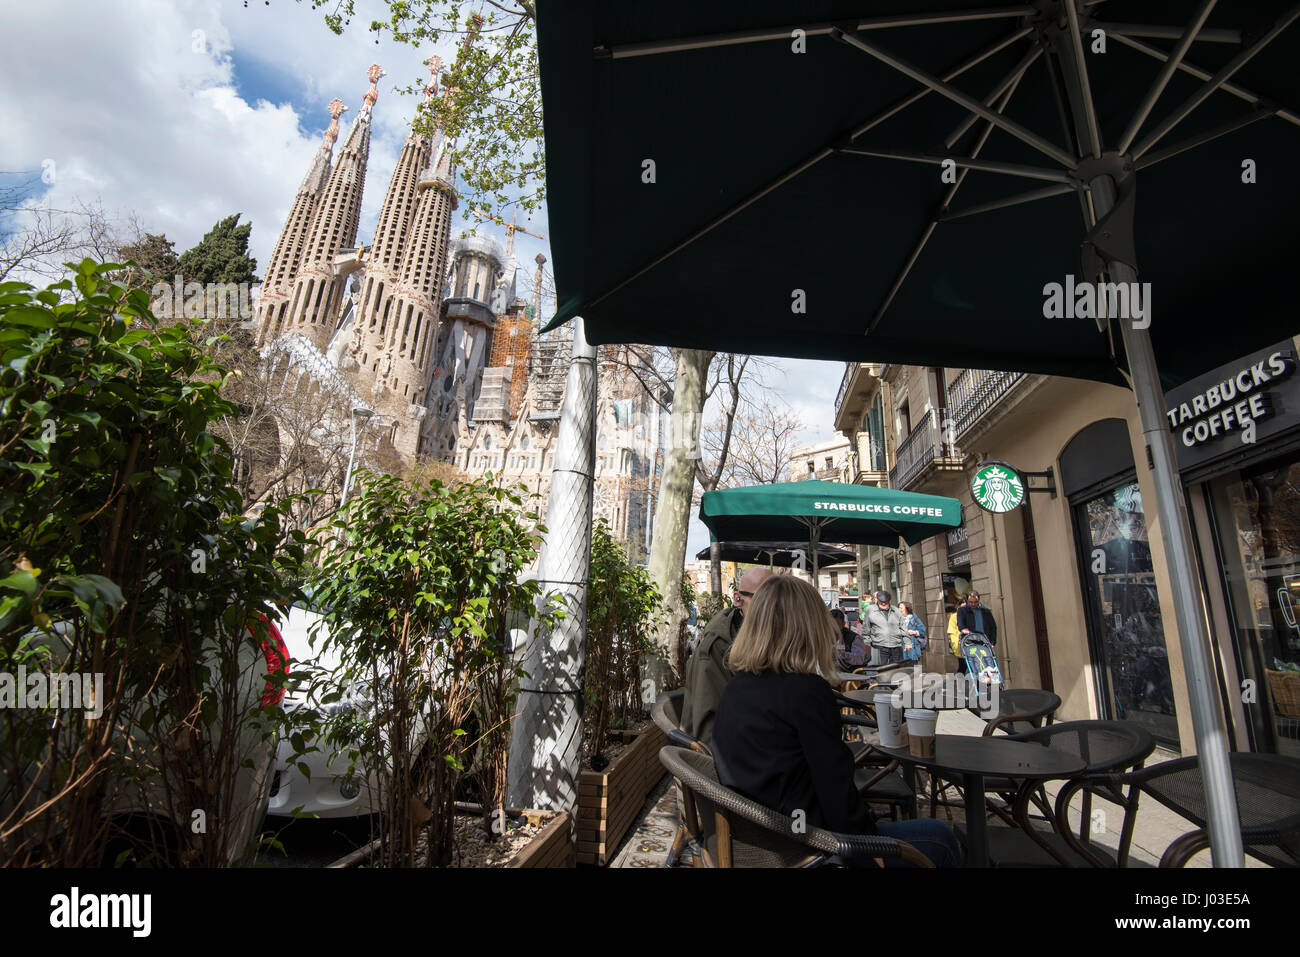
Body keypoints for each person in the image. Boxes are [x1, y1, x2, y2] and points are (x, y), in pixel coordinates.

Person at [710, 575, 960, 868]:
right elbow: (838, 795)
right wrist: (870, 851)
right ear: (810, 628)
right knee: (940, 838)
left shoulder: (736, 687)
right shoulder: (806, 693)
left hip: (760, 842)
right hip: (810, 849)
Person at [679, 566, 773, 746]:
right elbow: (707, 728)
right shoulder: (718, 645)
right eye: (763, 599)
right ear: (738, 599)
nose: (772, 607)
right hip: (722, 758)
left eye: (777, 599)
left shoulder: (759, 634)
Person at [863, 589, 906, 665]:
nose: (883, 604)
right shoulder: (870, 610)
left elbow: (903, 627)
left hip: (896, 645)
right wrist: (867, 643)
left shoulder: (896, 611)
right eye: (881, 602)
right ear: (877, 601)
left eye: (885, 602)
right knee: (882, 670)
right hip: (880, 645)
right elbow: (866, 628)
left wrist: (907, 643)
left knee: (896, 670)